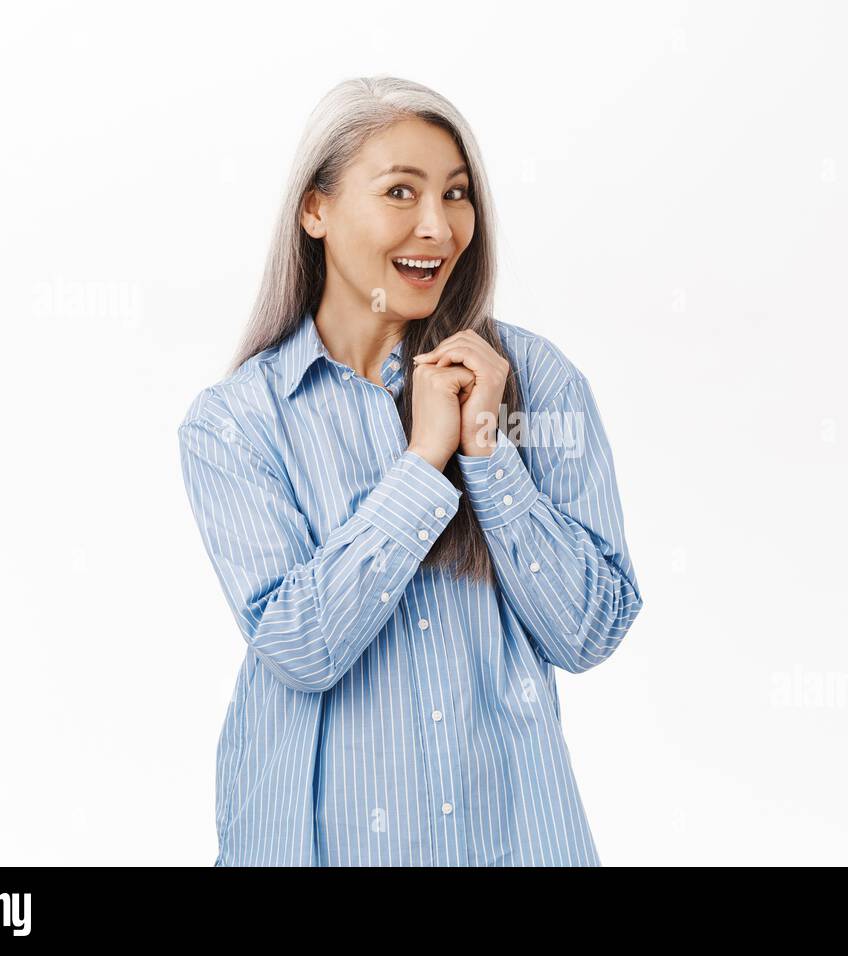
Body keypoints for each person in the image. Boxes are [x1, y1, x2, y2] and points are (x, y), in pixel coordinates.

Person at [177, 75, 643, 866]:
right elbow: (300, 648)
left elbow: (590, 631)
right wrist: (425, 466)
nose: (438, 226)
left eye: (457, 194)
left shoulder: (534, 382)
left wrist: (488, 458)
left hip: (511, 841)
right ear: (315, 210)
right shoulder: (235, 424)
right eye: (402, 191)